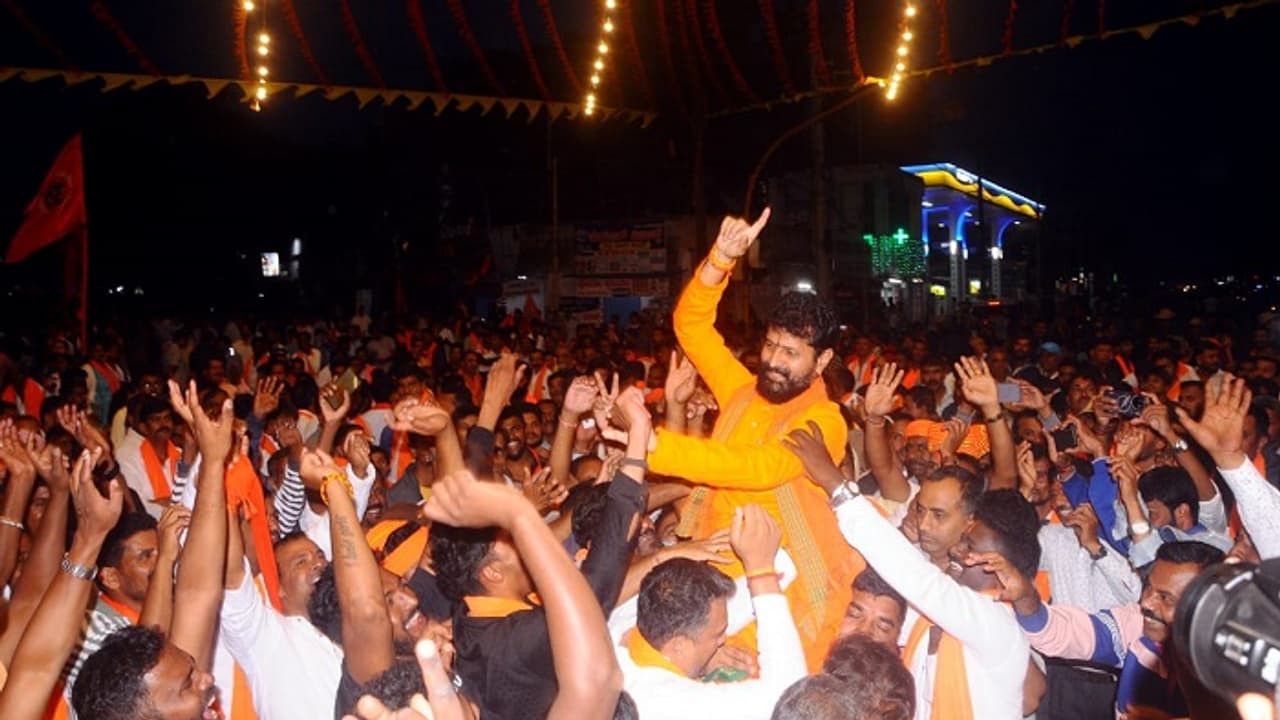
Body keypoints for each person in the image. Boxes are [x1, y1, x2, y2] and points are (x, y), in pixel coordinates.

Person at [640, 209, 859, 668]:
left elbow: (761, 467)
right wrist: (720, 261)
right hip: (714, 574)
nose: (775, 362)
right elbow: (691, 328)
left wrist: (656, 445)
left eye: (792, 354)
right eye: (771, 346)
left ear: (822, 363)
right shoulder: (742, 391)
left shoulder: (826, 419)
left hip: (790, 589)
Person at [998, 539, 1225, 718]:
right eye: (1148, 588)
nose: (1146, 603)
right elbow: (1066, 632)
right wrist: (1027, 599)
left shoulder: (1232, 665)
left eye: (1165, 597)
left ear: (1207, 606)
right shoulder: (1136, 625)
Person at [618, 506, 805, 720]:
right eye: (717, 636)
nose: (724, 641)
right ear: (679, 645)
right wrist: (761, 573)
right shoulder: (670, 704)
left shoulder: (620, 629)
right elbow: (790, 696)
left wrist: (699, 661)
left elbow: (711, 615)